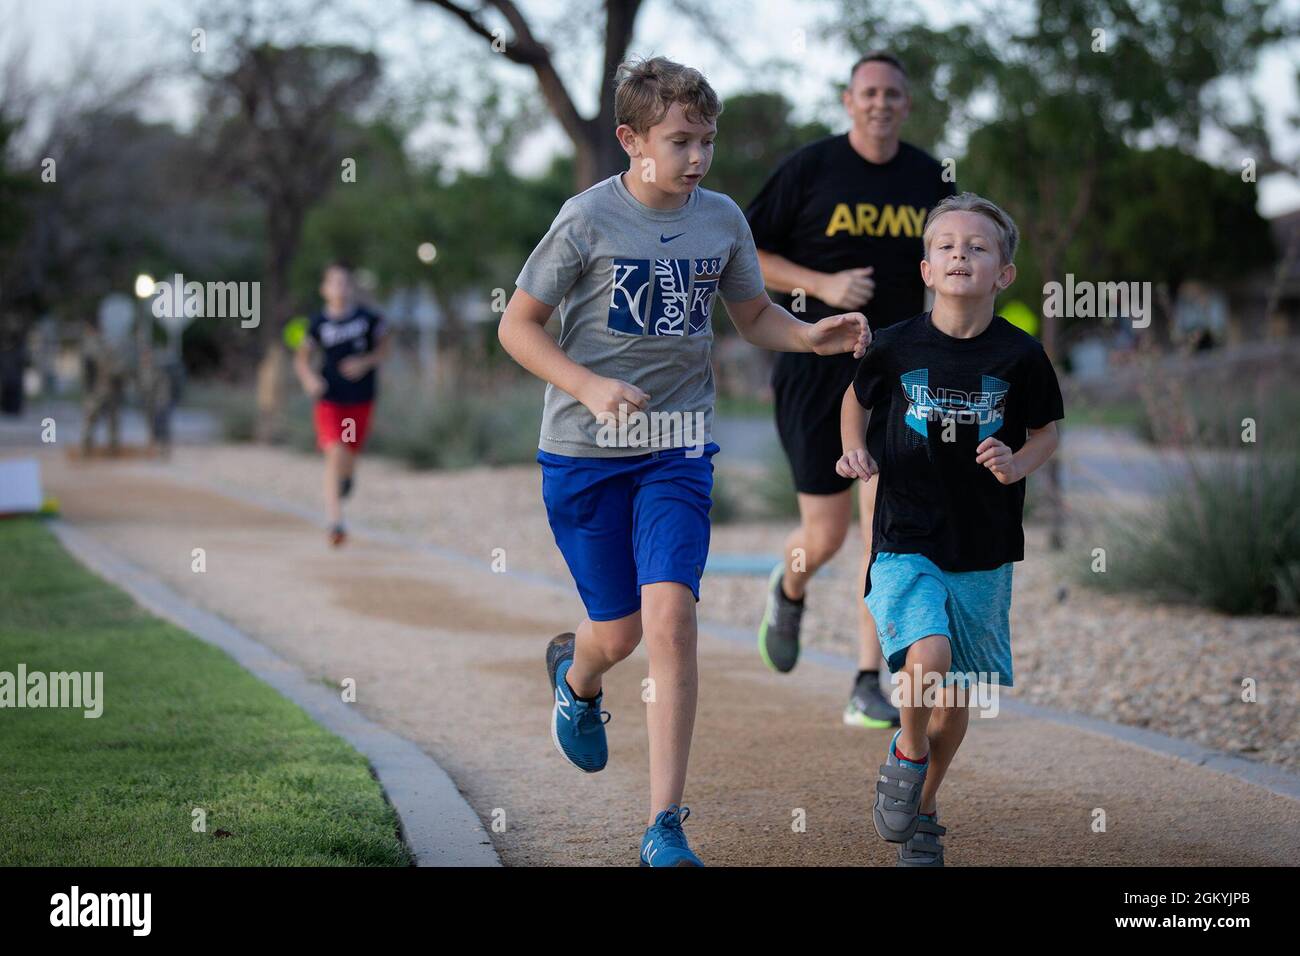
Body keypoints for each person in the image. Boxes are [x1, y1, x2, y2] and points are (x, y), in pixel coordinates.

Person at [498, 56, 869, 866]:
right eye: (679, 140)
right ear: (631, 139)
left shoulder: (723, 219)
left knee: (672, 621)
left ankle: (664, 825)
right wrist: (589, 384)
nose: (697, 157)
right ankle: (578, 677)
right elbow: (517, 327)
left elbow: (752, 314)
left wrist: (804, 333)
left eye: (706, 139)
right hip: (583, 452)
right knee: (620, 633)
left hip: (674, 447)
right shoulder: (586, 219)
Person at [838, 192, 1063, 866]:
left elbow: (1046, 430)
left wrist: (1017, 460)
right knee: (925, 662)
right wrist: (856, 450)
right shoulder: (895, 343)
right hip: (905, 535)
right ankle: (906, 754)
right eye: (947, 246)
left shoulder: (1021, 356)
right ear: (927, 269)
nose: (961, 253)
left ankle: (926, 809)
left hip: (984, 546)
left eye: (978, 246)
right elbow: (855, 398)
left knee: (955, 694)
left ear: (1003, 274)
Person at [746, 52, 956, 728]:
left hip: (890, 374)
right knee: (827, 533)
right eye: (869, 92)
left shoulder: (931, 177)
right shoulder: (811, 168)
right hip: (811, 367)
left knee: (883, 527)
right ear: (848, 100)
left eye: (894, 93)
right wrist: (824, 286)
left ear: (907, 103)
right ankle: (790, 584)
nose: (881, 103)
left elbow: (956, 259)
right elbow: (744, 251)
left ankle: (869, 680)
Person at [293, 261, 390, 547]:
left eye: (345, 282)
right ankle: (335, 521)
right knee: (334, 451)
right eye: (334, 282)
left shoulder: (368, 319)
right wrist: (310, 379)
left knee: (348, 455)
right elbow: (301, 359)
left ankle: (347, 478)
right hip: (330, 399)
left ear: (352, 287)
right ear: (324, 289)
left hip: (361, 398)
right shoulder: (316, 324)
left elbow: (384, 349)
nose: (340, 288)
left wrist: (364, 363)